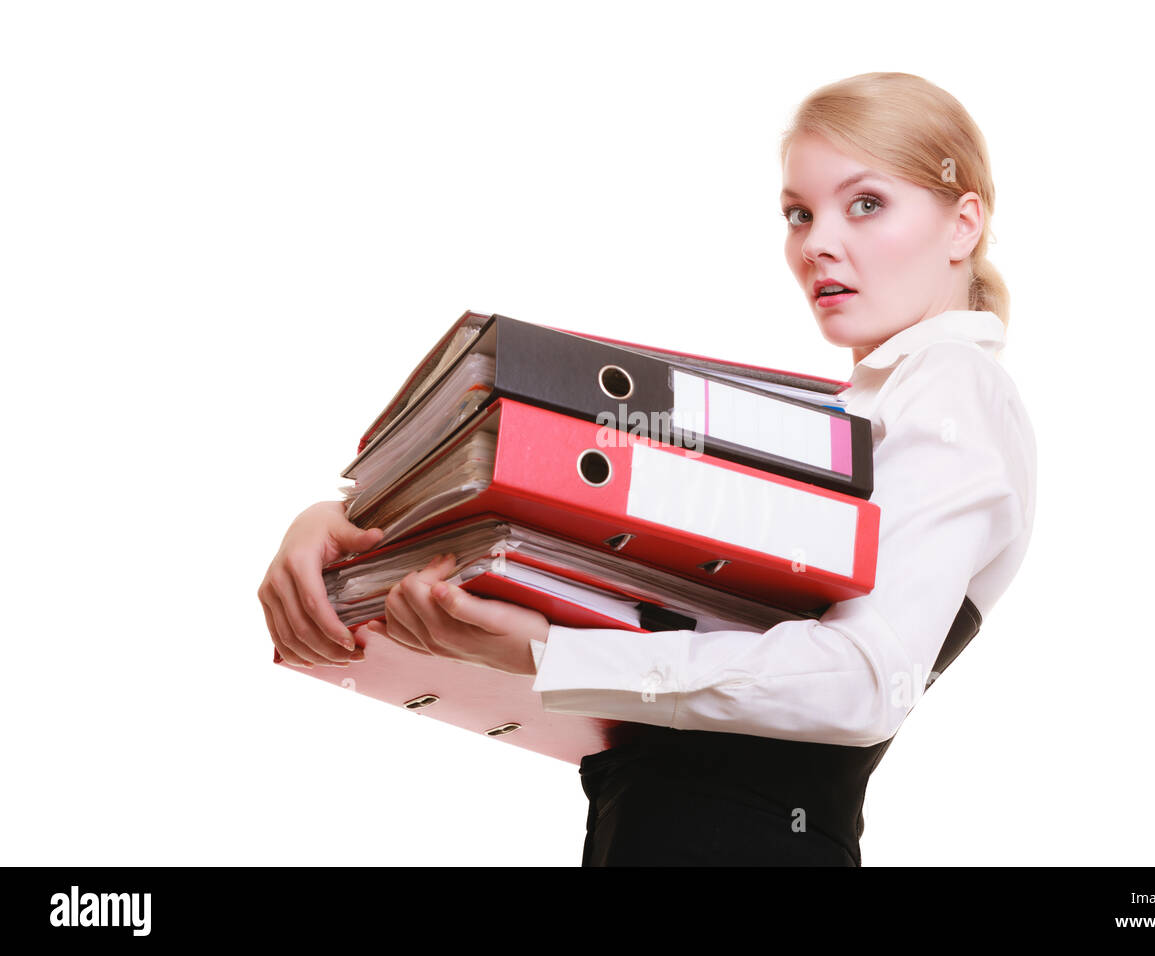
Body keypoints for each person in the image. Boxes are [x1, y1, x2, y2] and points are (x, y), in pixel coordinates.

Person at [258, 71, 1036, 866]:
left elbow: (863, 681)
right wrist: (354, 525)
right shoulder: (851, 418)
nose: (818, 244)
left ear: (961, 222)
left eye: (864, 203)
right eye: (799, 214)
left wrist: (545, 653)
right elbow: (601, 557)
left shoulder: (952, 385)